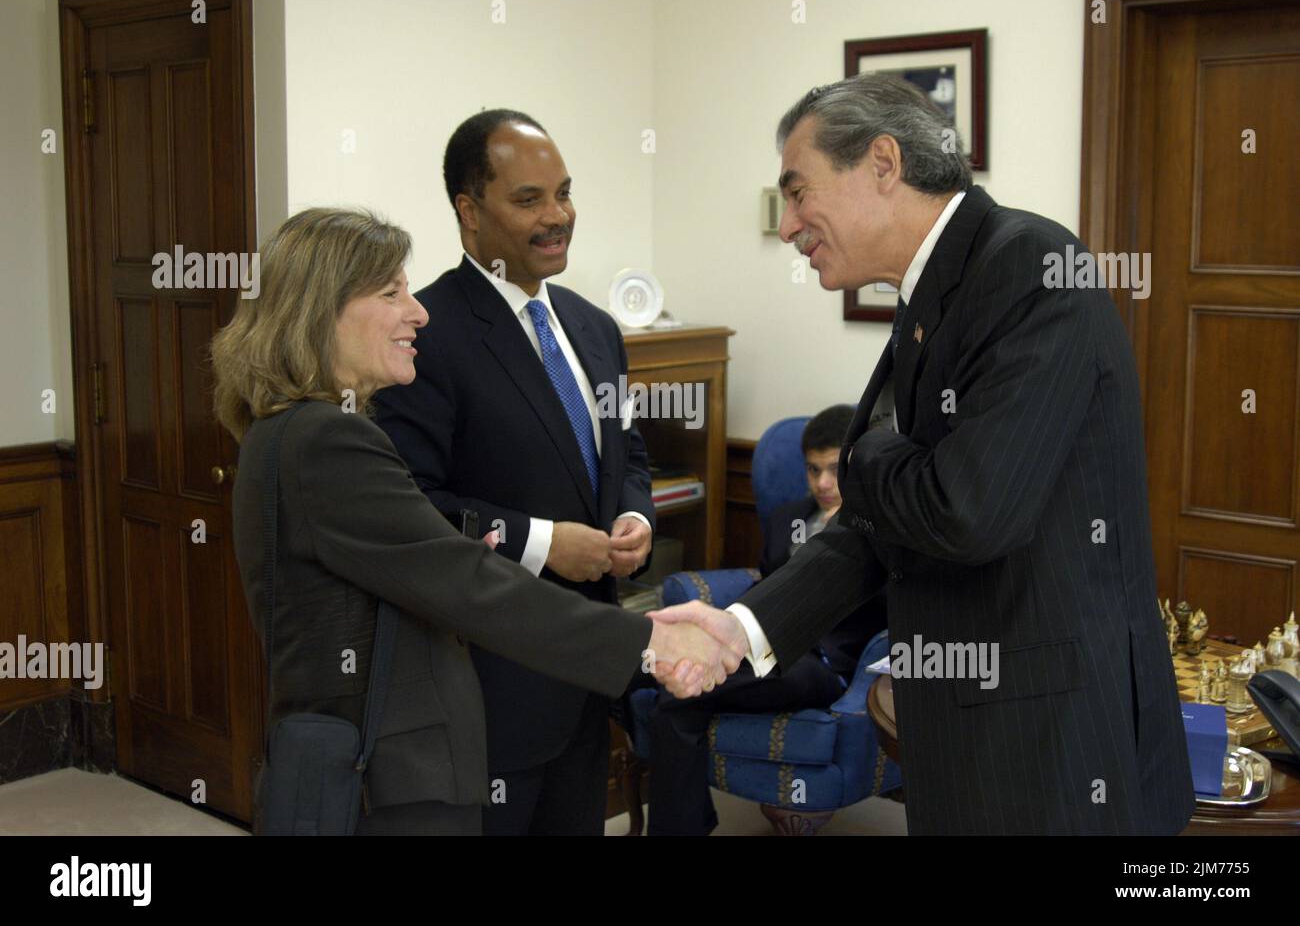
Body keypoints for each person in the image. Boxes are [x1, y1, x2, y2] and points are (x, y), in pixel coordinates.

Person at [652, 73, 1196, 835]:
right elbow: (884, 521)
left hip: (1054, 753)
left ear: (882, 162)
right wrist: (744, 627)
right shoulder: (934, 289)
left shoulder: (1029, 265)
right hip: (966, 738)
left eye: (800, 191)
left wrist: (862, 453)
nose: (789, 226)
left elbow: (968, 509)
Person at [211, 207, 734, 835]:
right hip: (386, 780)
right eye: (390, 292)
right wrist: (650, 642)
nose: (418, 312)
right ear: (321, 313)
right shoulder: (327, 442)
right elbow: (469, 585)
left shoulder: (292, 432)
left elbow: (410, 562)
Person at [372, 111, 657, 836]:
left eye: (564, 193)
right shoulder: (423, 334)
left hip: (592, 674)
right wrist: (542, 542)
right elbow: (410, 507)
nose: (558, 216)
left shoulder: (596, 329)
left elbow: (630, 454)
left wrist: (635, 516)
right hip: (490, 686)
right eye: (530, 199)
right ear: (469, 212)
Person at [644, 404, 885, 836]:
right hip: (766, 650)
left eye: (834, 469)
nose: (824, 483)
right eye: (813, 470)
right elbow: (767, 590)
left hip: (825, 668)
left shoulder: (880, 528)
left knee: (679, 695)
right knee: (661, 686)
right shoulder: (787, 519)